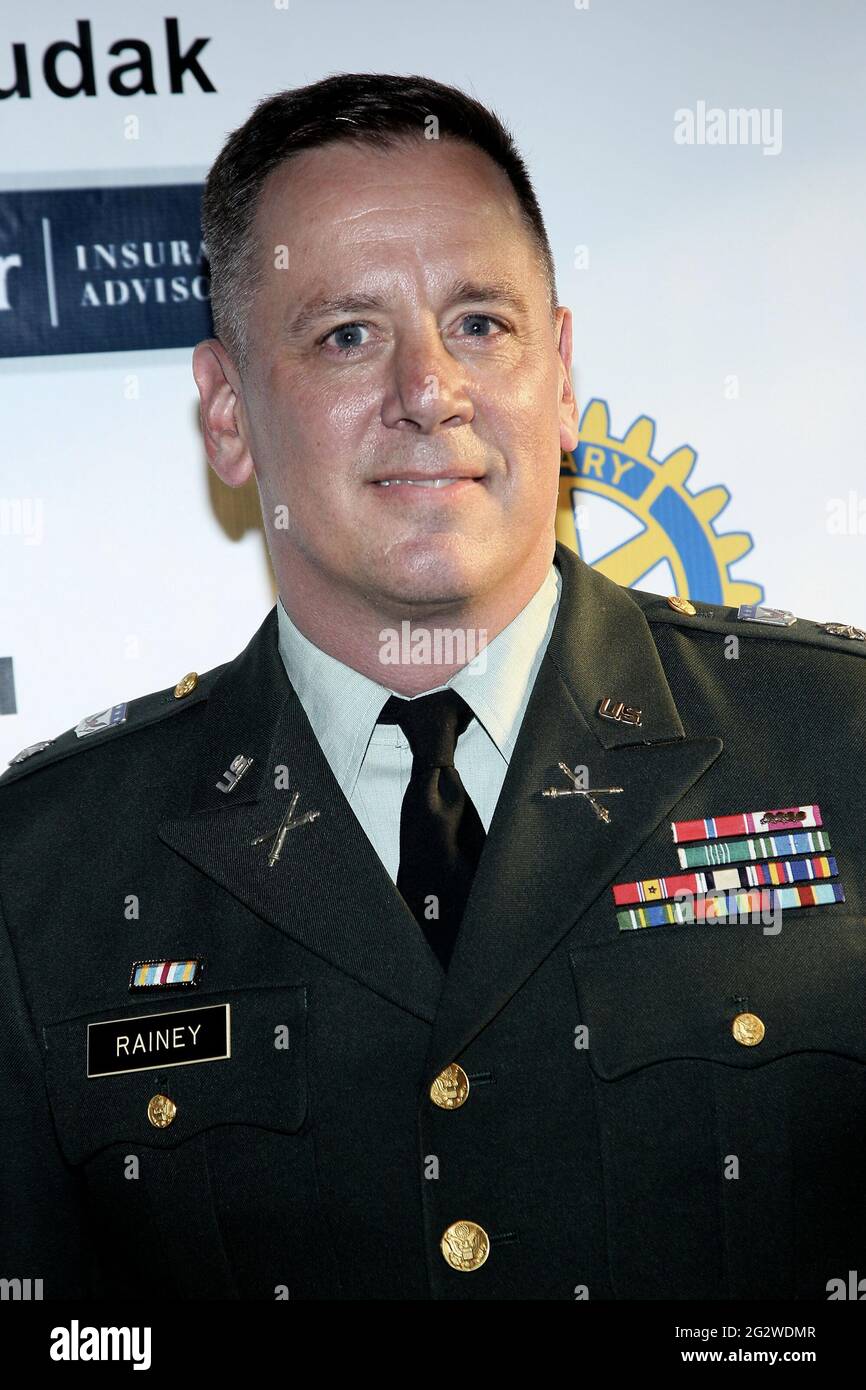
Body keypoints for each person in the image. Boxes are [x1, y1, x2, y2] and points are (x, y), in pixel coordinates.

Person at [1, 72, 864, 1302]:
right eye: (346, 334)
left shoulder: (836, 745)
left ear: (558, 375)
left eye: (479, 323)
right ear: (228, 412)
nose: (428, 390)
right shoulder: (45, 877)